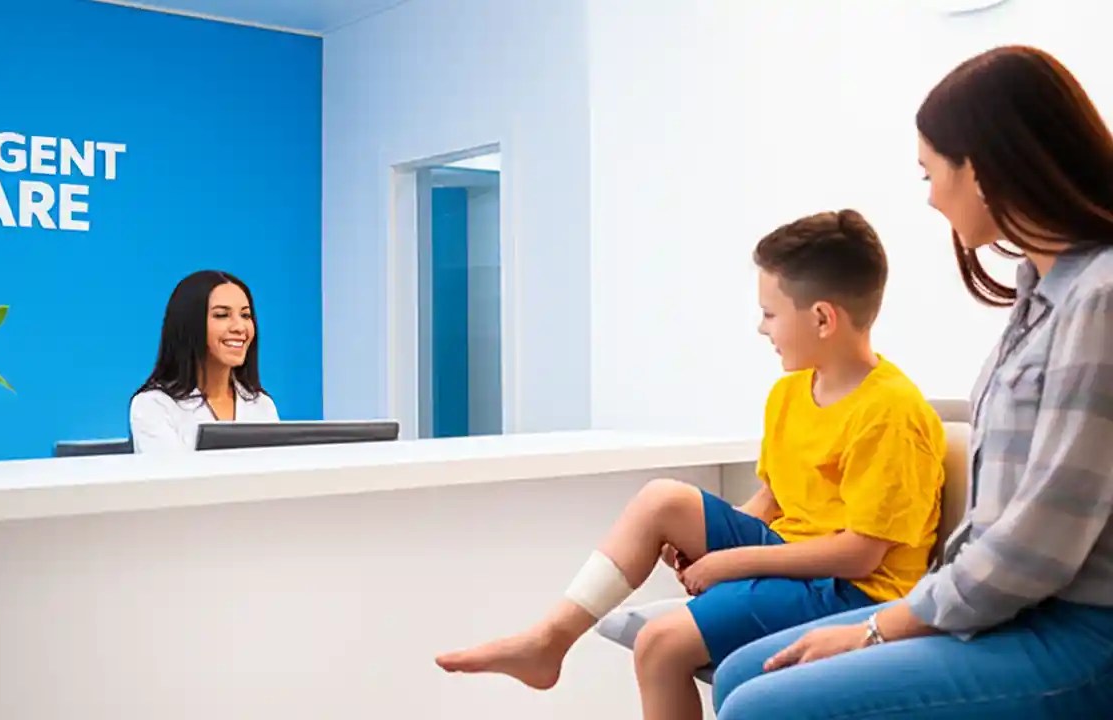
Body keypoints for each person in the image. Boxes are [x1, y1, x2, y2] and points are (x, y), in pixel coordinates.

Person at [711, 45, 1113, 720]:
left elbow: (1041, 539)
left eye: (930, 173)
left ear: (982, 170)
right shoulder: (1041, 291)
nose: (929, 197)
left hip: (1076, 631)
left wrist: (880, 626)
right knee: (740, 675)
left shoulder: (1100, 295)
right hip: (1010, 609)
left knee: (762, 707)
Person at [435, 210, 946, 720]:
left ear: (821, 318)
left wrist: (734, 562)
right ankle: (549, 642)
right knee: (664, 500)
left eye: (770, 314)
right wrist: (705, 545)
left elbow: (861, 555)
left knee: (660, 645)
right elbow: (773, 499)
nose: (760, 327)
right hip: (796, 557)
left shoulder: (891, 412)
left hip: (850, 593)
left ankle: (553, 646)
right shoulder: (790, 391)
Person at [130, 270, 279, 453]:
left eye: (246, 316)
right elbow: (175, 480)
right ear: (190, 325)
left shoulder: (261, 405)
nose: (240, 327)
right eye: (222, 315)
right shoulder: (154, 405)